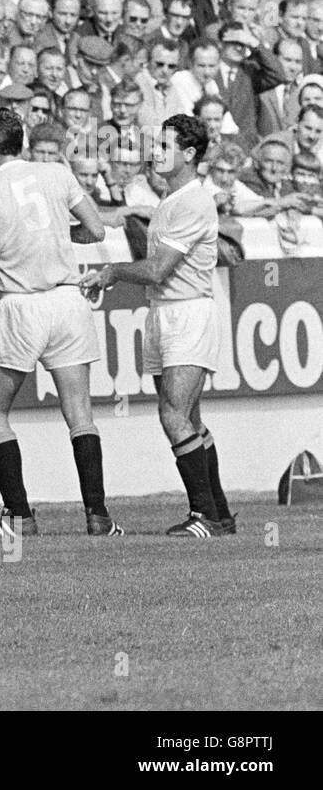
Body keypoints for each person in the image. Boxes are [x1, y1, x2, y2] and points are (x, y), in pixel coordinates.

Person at [0, 106, 122, 538]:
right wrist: (56, 235)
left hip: (21, 304)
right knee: (80, 412)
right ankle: (98, 515)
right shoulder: (56, 174)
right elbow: (96, 230)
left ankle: (20, 515)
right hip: (68, 301)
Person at [83, 114, 235, 538]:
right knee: (189, 416)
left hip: (186, 313)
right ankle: (219, 514)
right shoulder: (173, 198)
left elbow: (156, 270)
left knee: (172, 414)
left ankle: (203, 514)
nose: (155, 152)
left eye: (165, 146)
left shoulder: (191, 200)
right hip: (166, 312)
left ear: (189, 154)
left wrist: (112, 271)